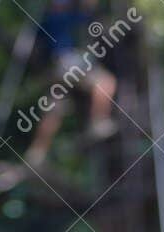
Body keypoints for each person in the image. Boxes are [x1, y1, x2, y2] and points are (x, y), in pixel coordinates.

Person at [25, 2, 117, 163]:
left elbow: (37, 48)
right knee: (106, 82)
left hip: (57, 67)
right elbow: (90, 9)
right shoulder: (70, 17)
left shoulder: (45, 22)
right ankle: (99, 121)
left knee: (55, 107)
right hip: (72, 62)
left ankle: (37, 150)